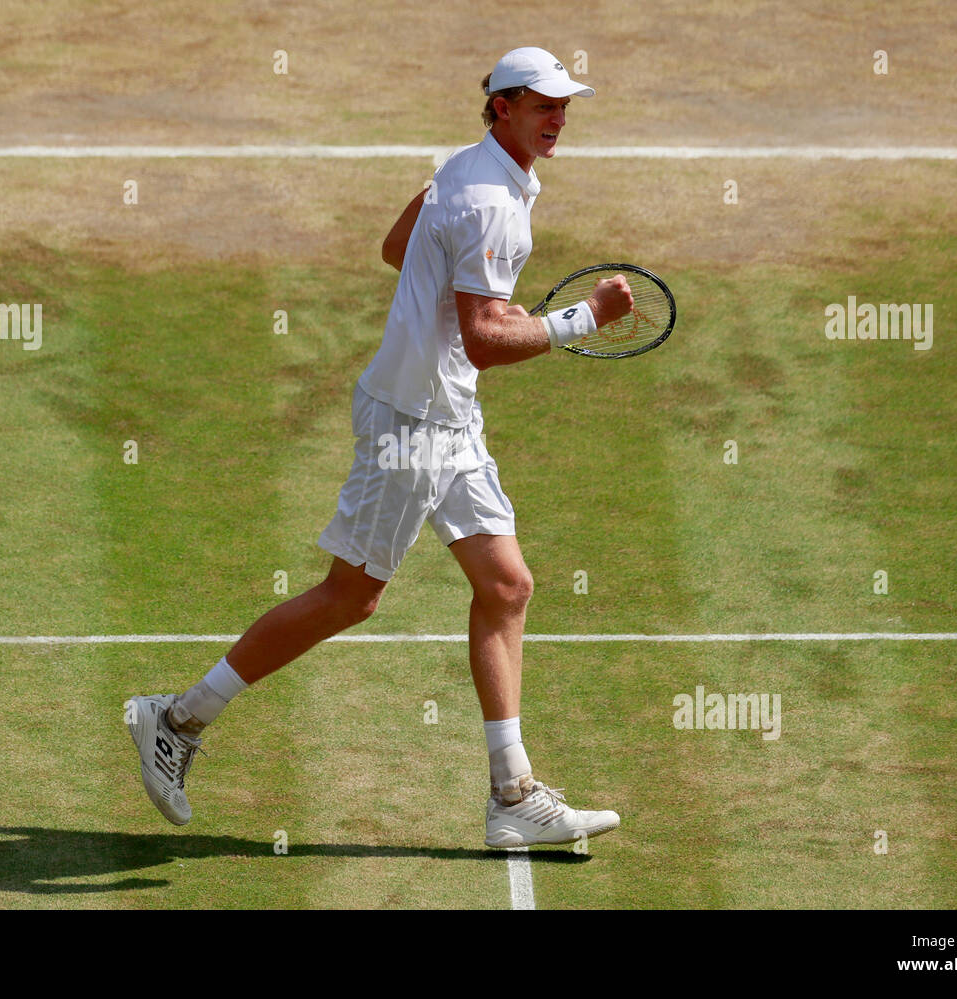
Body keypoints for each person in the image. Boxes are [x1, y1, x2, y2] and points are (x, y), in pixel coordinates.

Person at [127, 46, 633, 849]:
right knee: (350, 597)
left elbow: (398, 248)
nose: (559, 118)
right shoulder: (491, 202)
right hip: (412, 425)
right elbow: (484, 337)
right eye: (544, 106)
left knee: (506, 586)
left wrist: (444, 263)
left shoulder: (465, 170)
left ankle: (512, 793)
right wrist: (581, 320)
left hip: (446, 415)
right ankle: (177, 718)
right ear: (502, 107)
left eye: (565, 105)